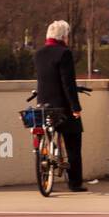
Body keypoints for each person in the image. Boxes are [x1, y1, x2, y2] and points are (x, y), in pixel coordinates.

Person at [33, 20, 86, 192]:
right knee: (74, 141)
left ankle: (45, 160)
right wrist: (75, 108)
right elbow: (67, 84)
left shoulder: (39, 54)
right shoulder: (64, 54)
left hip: (43, 104)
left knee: (46, 130)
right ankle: (75, 183)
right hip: (61, 107)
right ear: (63, 37)